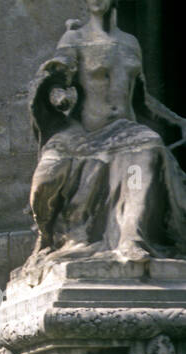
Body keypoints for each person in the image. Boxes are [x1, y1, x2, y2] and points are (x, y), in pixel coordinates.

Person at [23, 0, 186, 281]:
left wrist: (178, 121)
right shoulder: (75, 38)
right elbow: (56, 79)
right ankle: (47, 235)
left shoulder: (130, 43)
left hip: (126, 130)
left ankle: (131, 239)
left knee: (149, 148)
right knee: (45, 177)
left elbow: (141, 99)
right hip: (84, 134)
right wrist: (57, 95)